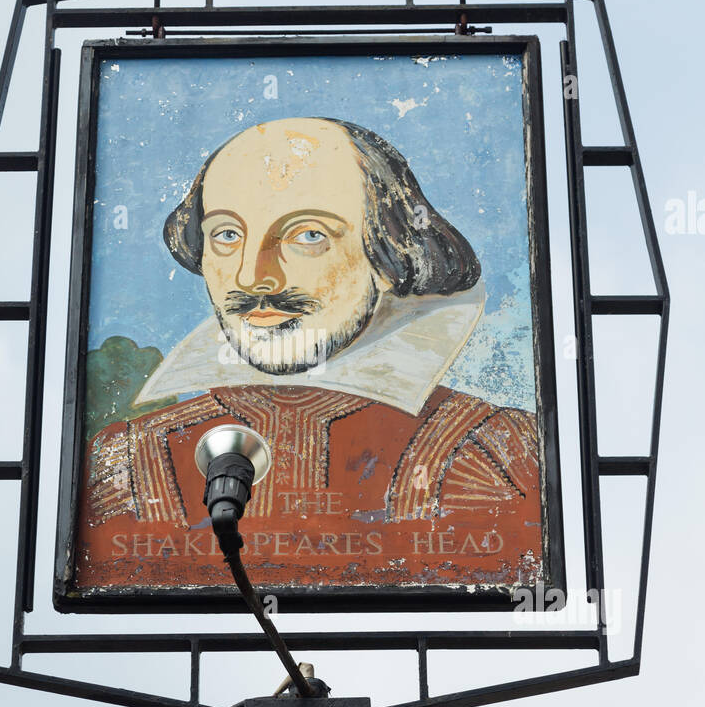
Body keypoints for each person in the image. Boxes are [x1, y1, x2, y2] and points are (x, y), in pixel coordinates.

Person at [75, 117, 542, 594]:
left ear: (390, 252)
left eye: (308, 235)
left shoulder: (498, 453)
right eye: (227, 235)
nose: (255, 278)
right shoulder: (125, 462)